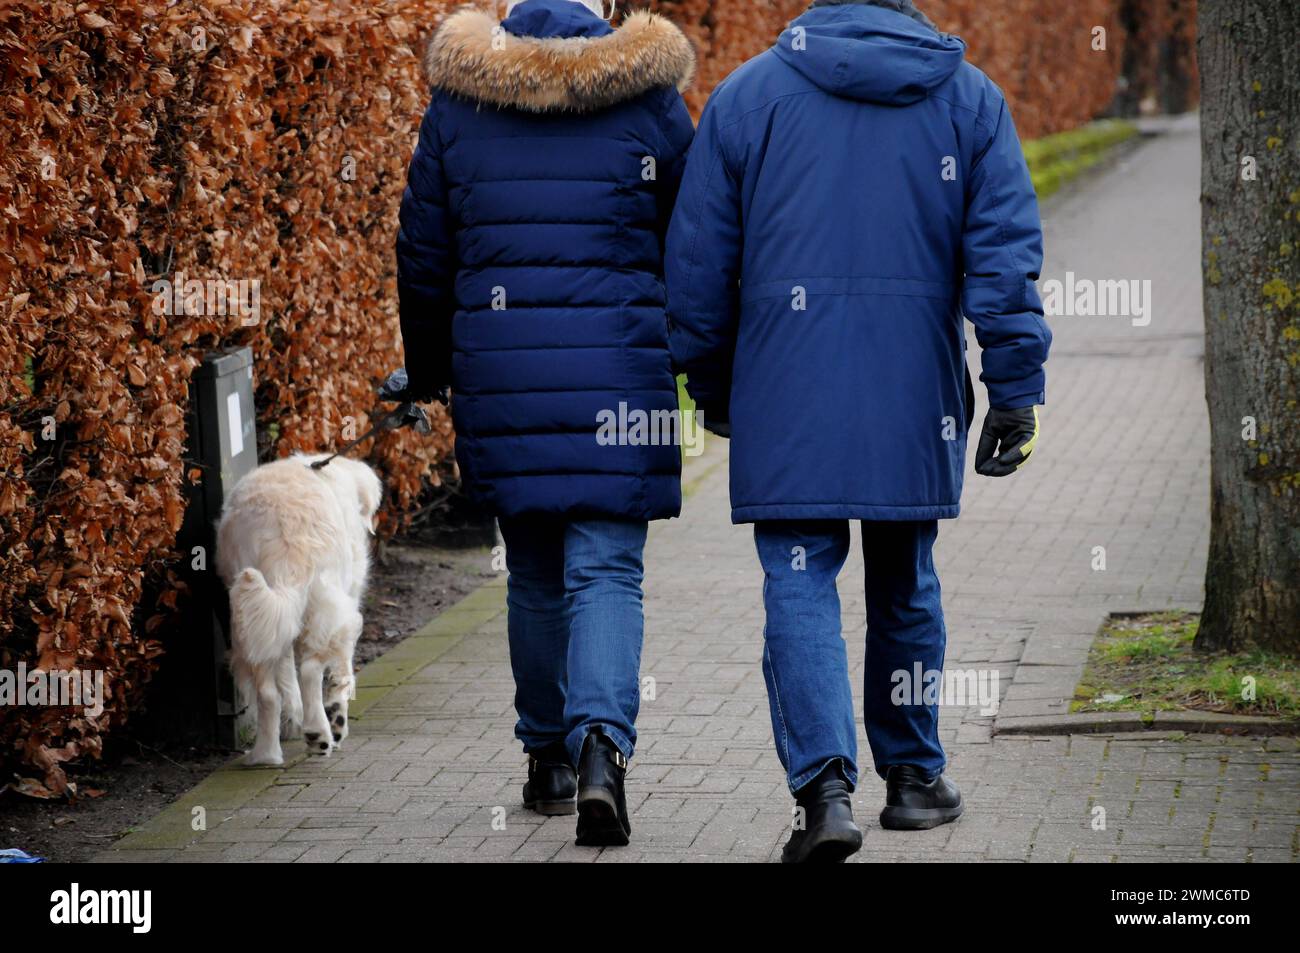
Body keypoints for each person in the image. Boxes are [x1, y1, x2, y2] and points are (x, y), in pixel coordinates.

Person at [665, 0, 1050, 863]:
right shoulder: (971, 100)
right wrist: (1015, 391)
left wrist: (713, 382)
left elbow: (696, 266)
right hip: (913, 391)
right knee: (906, 581)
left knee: (797, 581)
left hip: (786, 390)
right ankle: (913, 780)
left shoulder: (748, 97)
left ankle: (824, 794)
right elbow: (1004, 257)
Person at [396, 0, 695, 846]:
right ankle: (602, 748)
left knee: (531, 574)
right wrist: (693, 351)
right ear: (604, 12)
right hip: (623, 377)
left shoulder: (462, 101)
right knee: (606, 570)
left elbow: (421, 250)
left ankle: (548, 762)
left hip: (504, 377)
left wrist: (429, 370)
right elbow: (699, 233)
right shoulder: (648, 98)